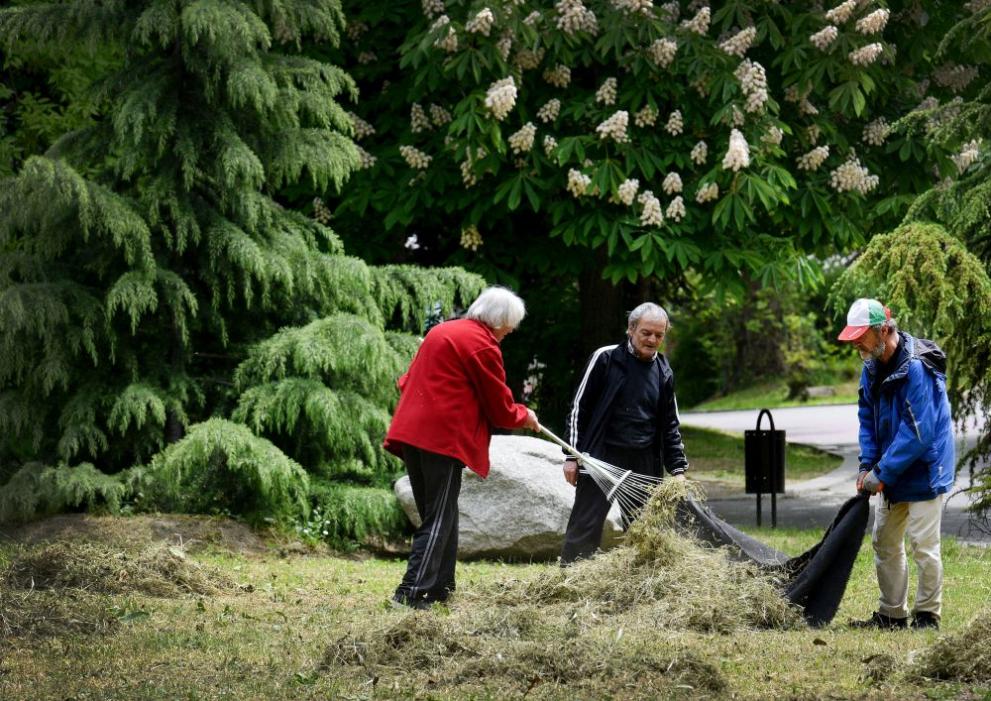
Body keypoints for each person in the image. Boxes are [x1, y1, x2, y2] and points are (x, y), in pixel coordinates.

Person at [384, 287, 539, 609]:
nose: (511, 331)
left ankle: (442, 587)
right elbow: (499, 408)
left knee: (440, 512)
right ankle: (411, 592)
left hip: (412, 431)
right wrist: (524, 416)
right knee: (438, 517)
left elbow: (406, 381)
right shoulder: (482, 345)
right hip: (441, 438)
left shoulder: (441, 331)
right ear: (500, 321)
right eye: (511, 324)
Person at [838, 298, 955, 630]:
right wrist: (866, 465)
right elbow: (867, 420)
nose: (857, 344)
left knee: (923, 544)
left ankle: (928, 615)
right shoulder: (871, 367)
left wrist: (882, 471)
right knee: (885, 540)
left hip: (925, 468)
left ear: (882, 330)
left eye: (861, 336)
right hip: (891, 468)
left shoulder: (917, 367)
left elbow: (918, 431)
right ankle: (892, 614)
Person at [559, 302, 689, 564]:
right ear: (631, 329)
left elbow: (670, 425)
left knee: (646, 531)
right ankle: (570, 582)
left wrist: (678, 470)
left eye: (659, 335)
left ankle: (640, 587)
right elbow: (578, 408)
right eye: (646, 333)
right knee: (584, 527)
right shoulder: (606, 358)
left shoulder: (664, 370)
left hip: (643, 461)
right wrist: (571, 456)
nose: (652, 340)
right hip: (601, 457)